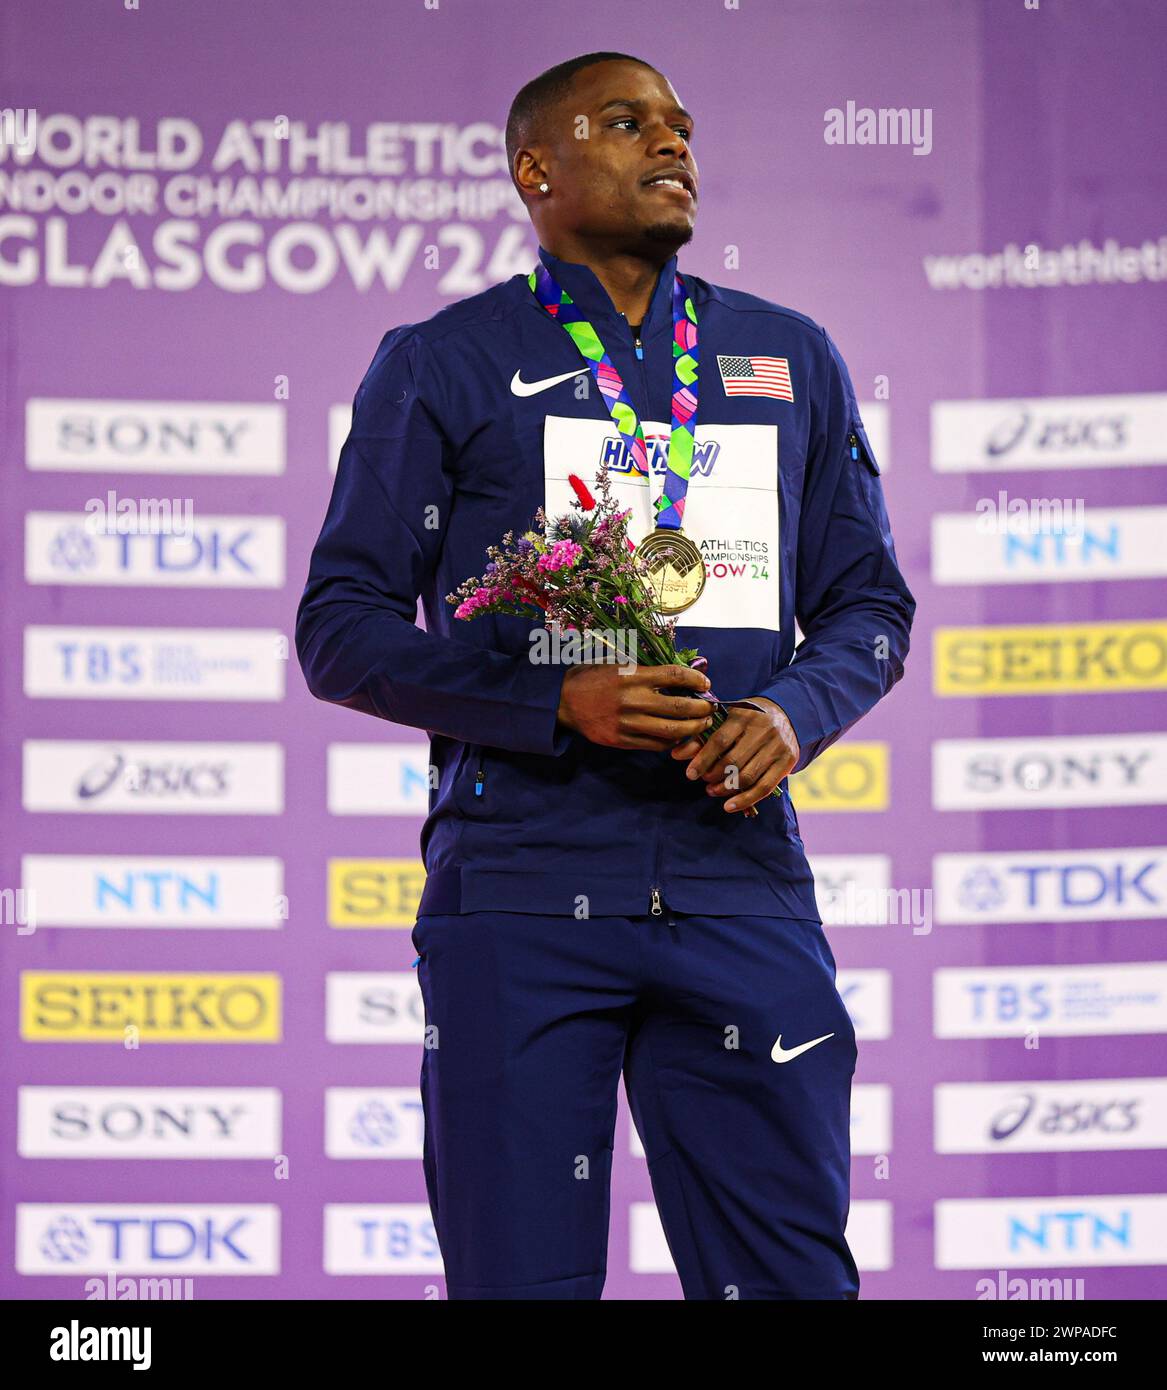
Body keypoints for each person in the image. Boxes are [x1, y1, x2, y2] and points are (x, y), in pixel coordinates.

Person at [296, 50, 915, 1300]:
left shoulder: (787, 357)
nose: (672, 143)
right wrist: (547, 703)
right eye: (628, 122)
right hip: (521, 885)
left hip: (736, 879)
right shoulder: (442, 360)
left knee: (790, 1282)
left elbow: (870, 607)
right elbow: (341, 626)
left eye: (683, 125)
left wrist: (793, 714)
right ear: (537, 169)